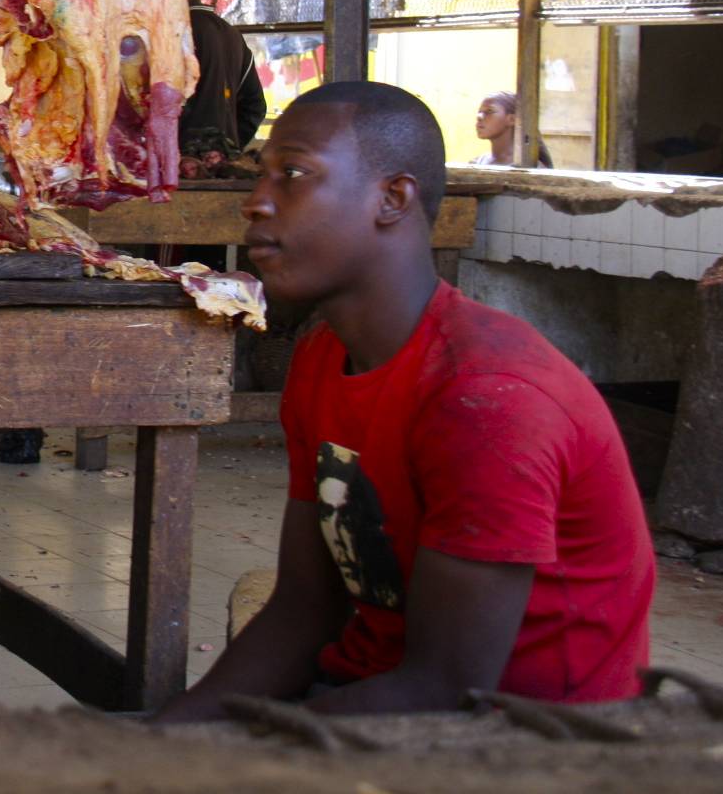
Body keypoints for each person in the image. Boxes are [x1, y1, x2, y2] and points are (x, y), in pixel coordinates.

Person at [155, 82, 653, 721]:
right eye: (262, 176)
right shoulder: (320, 358)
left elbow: (444, 694)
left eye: (295, 175)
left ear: (393, 198)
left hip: (522, 743)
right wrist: (165, 739)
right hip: (373, 697)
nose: (256, 203)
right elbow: (305, 609)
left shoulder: (487, 399)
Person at [180, 0, 266, 153]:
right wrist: (227, 147)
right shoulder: (232, 34)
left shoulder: (175, 34)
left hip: (182, 165)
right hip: (218, 165)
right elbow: (255, 106)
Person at [473, 91, 554, 168]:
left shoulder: (532, 169)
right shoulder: (477, 163)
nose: (479, 116)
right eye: (479, 112)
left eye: (490, 111)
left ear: (512, 119)